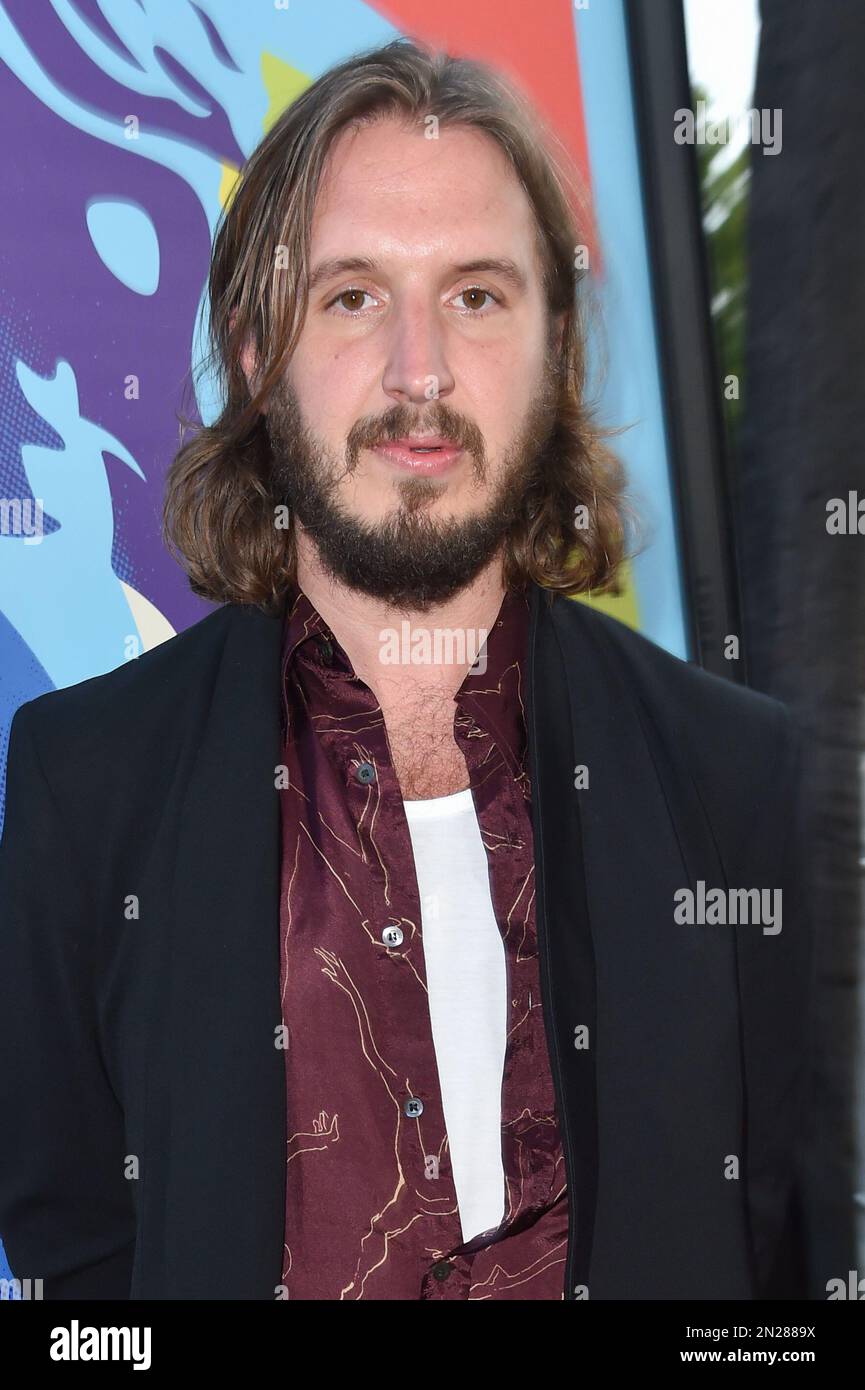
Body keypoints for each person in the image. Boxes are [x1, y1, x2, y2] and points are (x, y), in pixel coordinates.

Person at [0, 38, 813, 1301]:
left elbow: (782, 1249)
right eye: (353, 295)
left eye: (477, 296)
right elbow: (76, 1255)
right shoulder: (85, 784)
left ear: (555, 349)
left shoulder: (732, 777)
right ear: (260, 352)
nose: (418, 372)